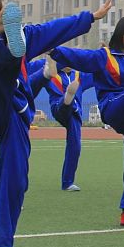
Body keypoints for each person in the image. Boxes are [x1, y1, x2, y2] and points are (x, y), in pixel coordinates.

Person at [0, 0, 111, 247]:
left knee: (16, 179)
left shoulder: (26, 33)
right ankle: (9, 47)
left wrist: (91, 16)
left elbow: (55, 29)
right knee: (5, 56)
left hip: (13, 114)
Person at [49, 13, 124, 226]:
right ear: (120, 35)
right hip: (113, 107)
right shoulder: (103, 56)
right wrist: (51, 48)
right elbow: (79, 57)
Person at [26, 57, 88, 192]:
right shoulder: (53, 74)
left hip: (75, 115)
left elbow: (97, 73)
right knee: (63, 105)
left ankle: (67, 182)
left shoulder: (79, 76)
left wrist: (106, 56)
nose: (68, 64)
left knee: (75, 145)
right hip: (58, 108)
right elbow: (33, 80)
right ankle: (66, 99)